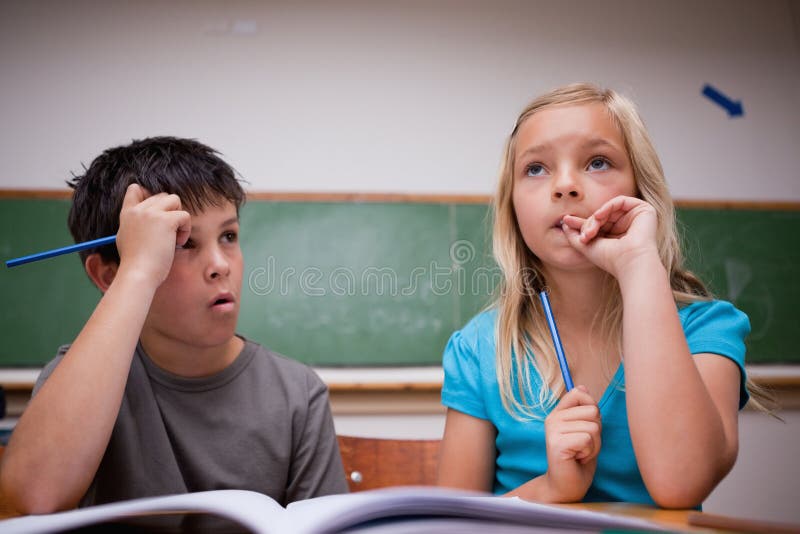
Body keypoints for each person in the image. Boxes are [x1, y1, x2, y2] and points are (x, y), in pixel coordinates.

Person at [437, 83, 754, 509]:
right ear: (512, 207)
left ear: (642, 191)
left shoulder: (708, 329)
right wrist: (551, 489)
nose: (565, 186)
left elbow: (682, 484)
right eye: (535, 169)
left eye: (598, 162)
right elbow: (449, 522)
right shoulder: (479, 348)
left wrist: (639, 262)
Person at [0, 137, 347, 514]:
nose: (221, 264)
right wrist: (138, 271)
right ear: (108, 275)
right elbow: (29, 502)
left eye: (228, 236)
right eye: (182, 243)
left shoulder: (296, 394)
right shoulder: (78, 381)